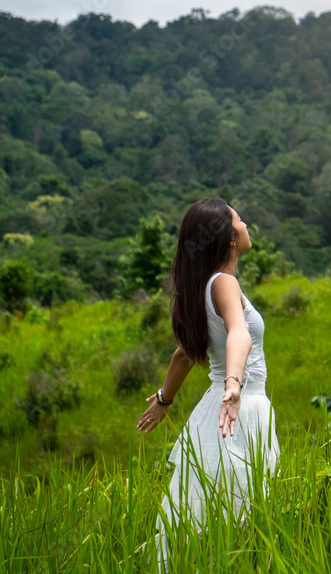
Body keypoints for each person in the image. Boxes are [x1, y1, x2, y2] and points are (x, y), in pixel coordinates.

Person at [135, 198, 280, 570]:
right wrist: (234, 385)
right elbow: (239, 334)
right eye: (239, 219)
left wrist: (165, 400)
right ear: (229, 238)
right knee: (243, 511)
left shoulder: (205, 286)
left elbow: (184, 354)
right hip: (237, 407)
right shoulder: (225, 283)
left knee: (214, 512)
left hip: (220, 405)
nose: (246, 224)